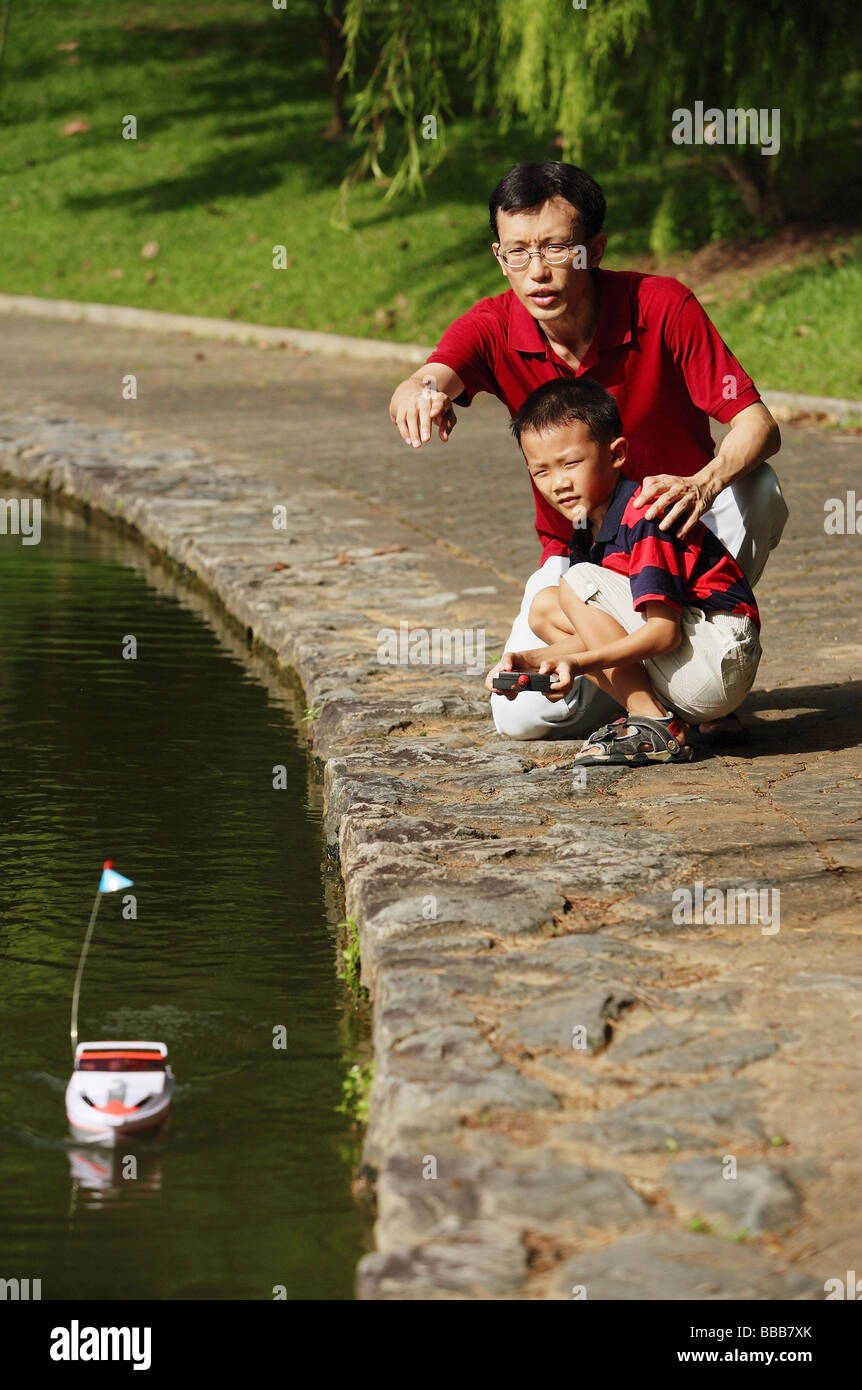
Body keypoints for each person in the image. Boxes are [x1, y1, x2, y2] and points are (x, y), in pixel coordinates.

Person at [388, 161, 787, 742]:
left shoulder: (662, 305)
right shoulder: (493, 325)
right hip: (585, 553)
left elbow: (758, 424)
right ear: (499, 256)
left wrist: (702, 483)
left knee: (759, 486)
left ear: (593, 250)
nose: (537, 272)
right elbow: (428, 377)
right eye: (517, 252)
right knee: (523, 715)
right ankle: (654, 695)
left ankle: (681, 656)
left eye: (556, 248)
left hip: (682, 530)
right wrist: (420, 396)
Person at [484, 378, 762, 764]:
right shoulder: (584, 529)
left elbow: (662, 634)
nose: (558, 483)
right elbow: (598, 631)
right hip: (691, 663)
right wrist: (533, 660)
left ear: (617, 454)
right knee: (546, 607)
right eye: (541, 471)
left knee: (573, 584)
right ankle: (654, 715)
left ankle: (651, 719)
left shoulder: (645, 515)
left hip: (717, 655)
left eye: (571, 463)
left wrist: (577, 664)